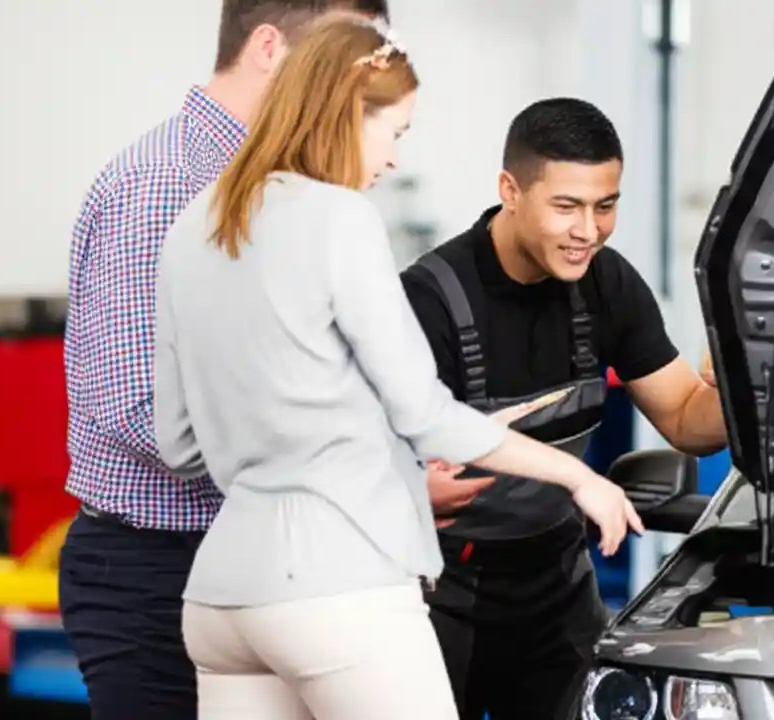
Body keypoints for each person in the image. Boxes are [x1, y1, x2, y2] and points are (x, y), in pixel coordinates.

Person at [151, 16, 643, 720]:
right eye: (397, 131)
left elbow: (178, 443)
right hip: (338, 586)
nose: (393, 157)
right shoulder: (338, 217)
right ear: (350, 115)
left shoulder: (194, 223)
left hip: (223, 599)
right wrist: (578, 474)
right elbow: (426, 414)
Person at [57, 2, 388, 718]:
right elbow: (139, 407)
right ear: (269, 48)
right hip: (158, 568)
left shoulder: (285, 193)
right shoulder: (164, 188)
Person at [400, 97, 729, 720]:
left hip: (557, 590)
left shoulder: (608, 284)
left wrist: (732, 381)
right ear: (511, 191)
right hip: (438, 594)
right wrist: (412, 492)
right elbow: (368, 468)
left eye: (605, 206)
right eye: (567, 206)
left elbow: (689, 424)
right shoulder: (428, 301)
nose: (589, 231)